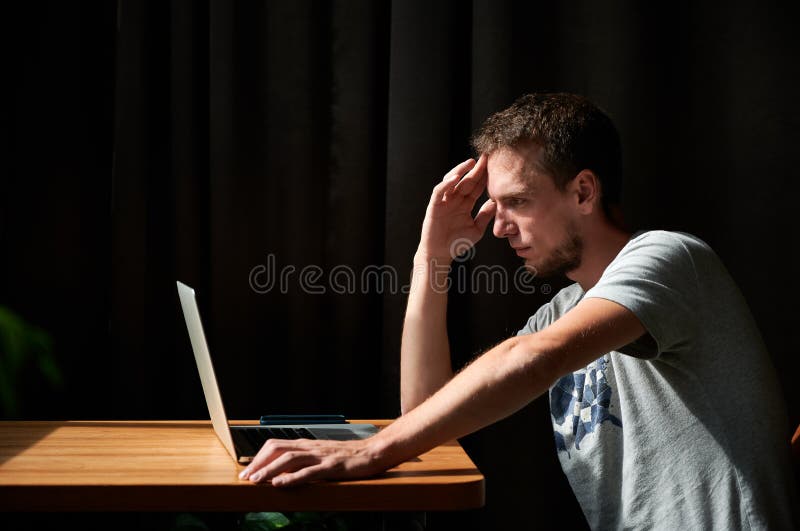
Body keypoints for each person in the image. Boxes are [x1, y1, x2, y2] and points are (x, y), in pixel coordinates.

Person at [239, 93, 798, 529]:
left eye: (518, 203)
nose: (500, 227)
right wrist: (432, 255)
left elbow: (532, 358)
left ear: (584, 191)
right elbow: (425, 412)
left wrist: (370, 453)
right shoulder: (567, 310)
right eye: (495, 205)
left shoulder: (670, 257)